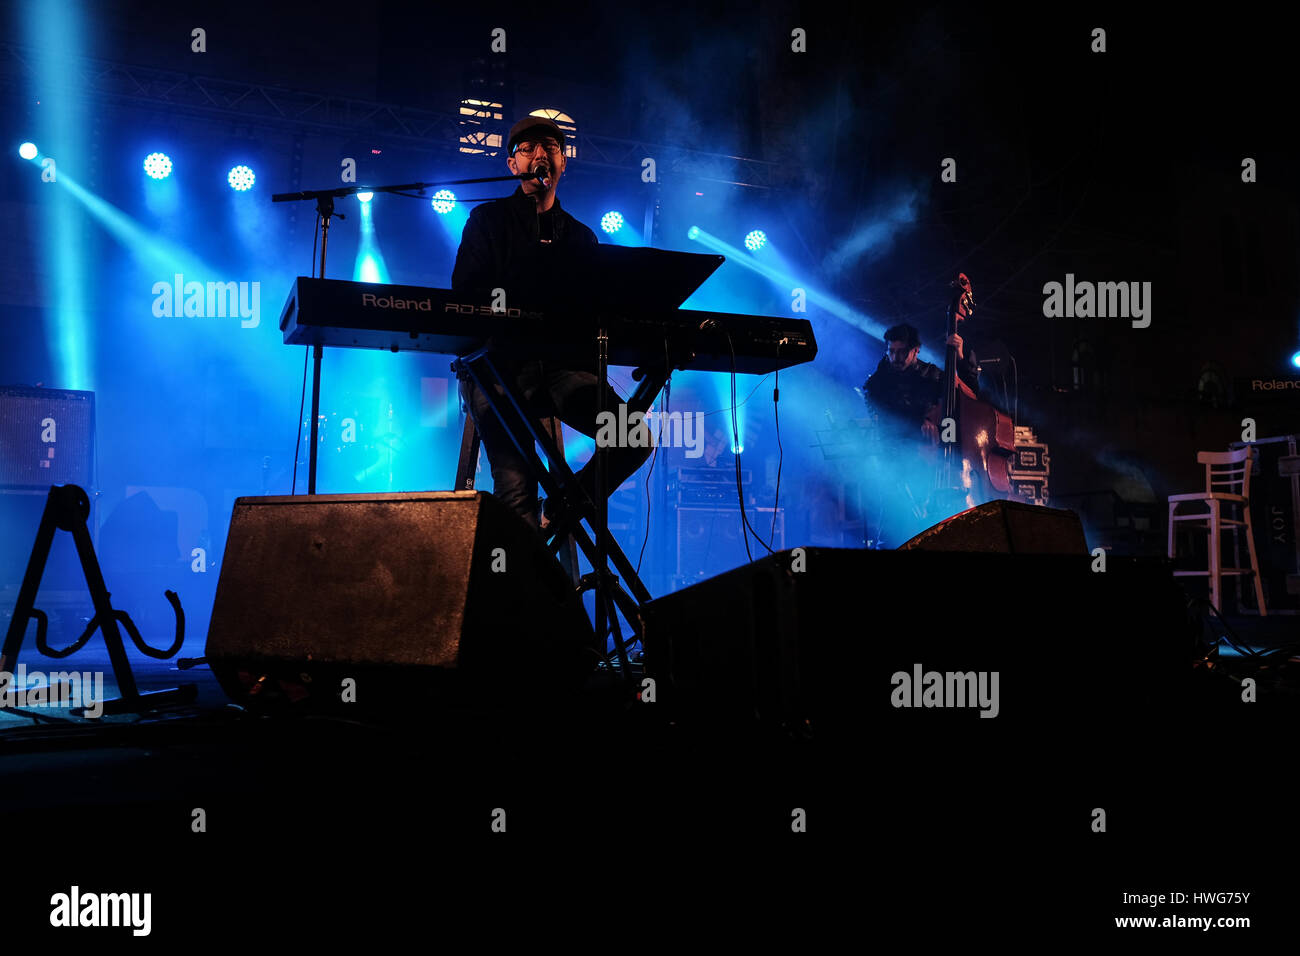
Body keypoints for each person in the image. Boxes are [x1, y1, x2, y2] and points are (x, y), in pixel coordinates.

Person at [451, 115, 652, 537]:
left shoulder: (580, 237)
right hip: (497, 368)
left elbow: (597, 312)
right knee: (516, 491)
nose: (540, 154)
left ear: (563, 164)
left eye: (550, 147)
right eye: (528, 149)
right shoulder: (487, 220)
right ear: (512, 164)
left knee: (632, 437)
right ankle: (526, 576)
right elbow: (467, 295)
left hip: (561, 370)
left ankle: (562, 504)